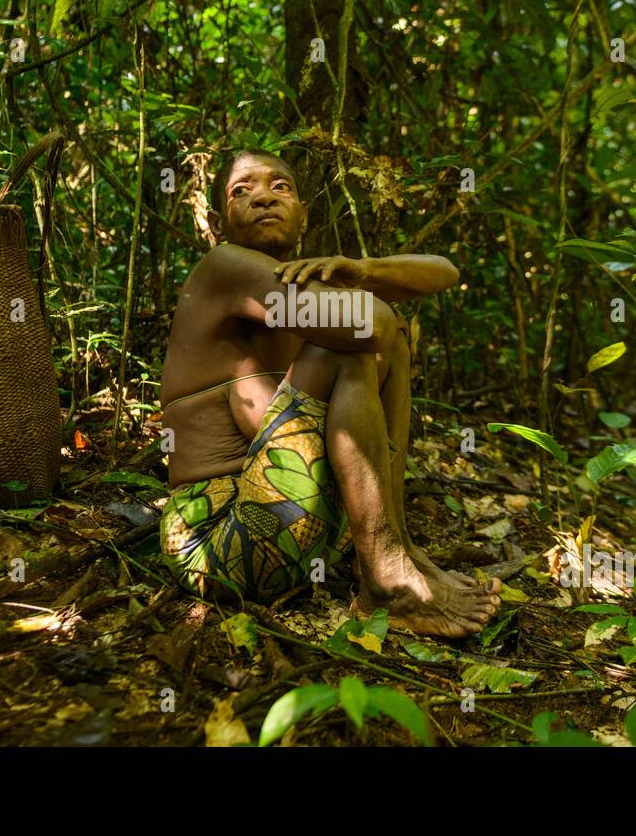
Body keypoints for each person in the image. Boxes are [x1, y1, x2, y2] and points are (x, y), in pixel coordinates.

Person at [158, 148, 501, 637]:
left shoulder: (299, 283)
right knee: (352, 349)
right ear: (217, 220)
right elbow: (371, 324)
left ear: (303, 213)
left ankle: (394, 549)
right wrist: (353, 296)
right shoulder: (225, 268)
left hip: (295, 526)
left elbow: (444, 272)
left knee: (392, 340)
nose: (263, 198)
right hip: (219, 544)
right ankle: (387, 579)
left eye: (280, 187)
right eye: (242, 190)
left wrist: (361, 270)